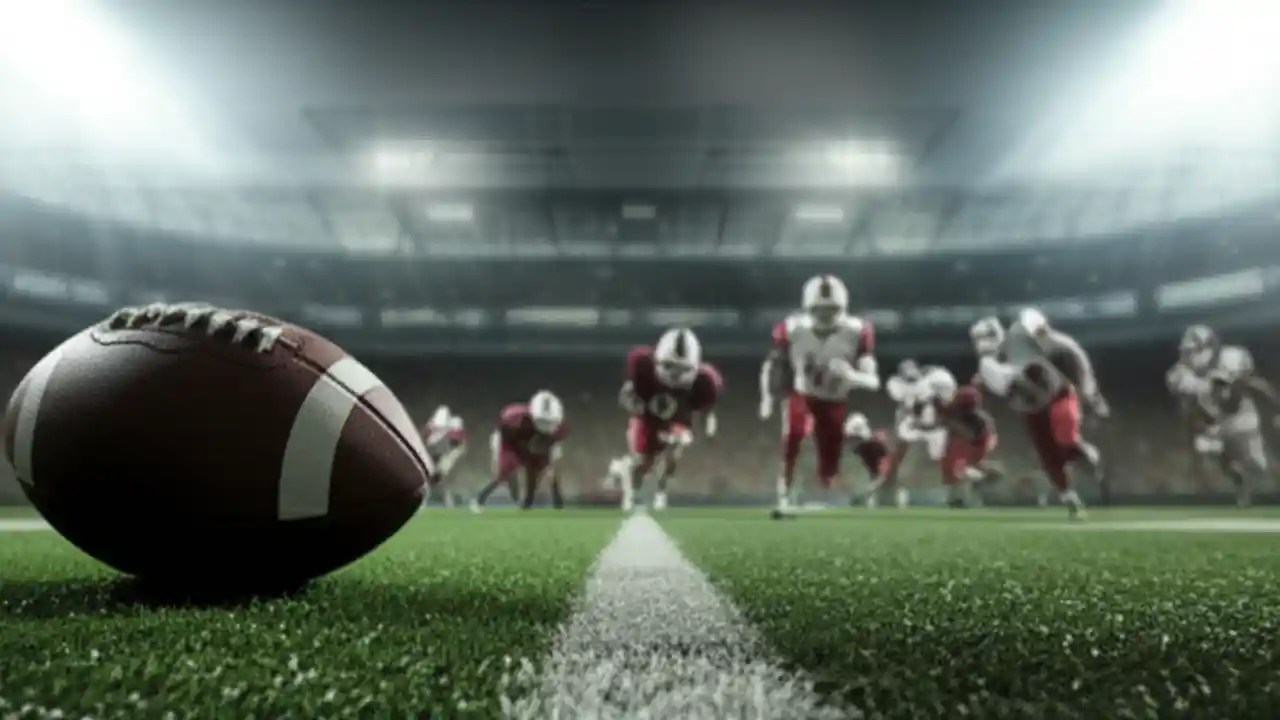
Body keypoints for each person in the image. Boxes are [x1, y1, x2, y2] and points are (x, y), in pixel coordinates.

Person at [471, 391, 568, 512]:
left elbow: (552, 445)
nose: (545, 425)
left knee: (542, 473)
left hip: (536, 444)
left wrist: (542, 458)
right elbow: (502, 434)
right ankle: (480, 499)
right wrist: (520, 453)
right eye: (543, 420)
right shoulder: (514, 418)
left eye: (549, 422)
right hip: (513, 442)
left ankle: (533, 503)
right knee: (504, 472)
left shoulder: (558, 428)